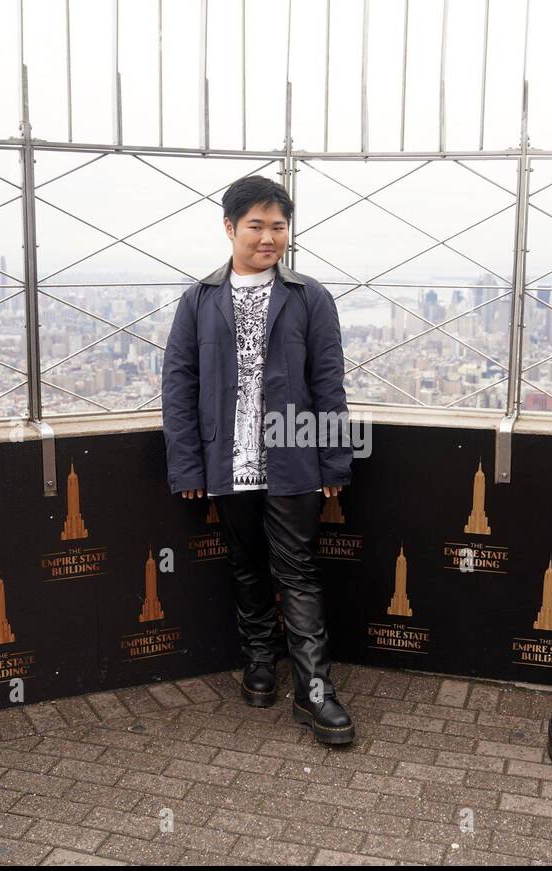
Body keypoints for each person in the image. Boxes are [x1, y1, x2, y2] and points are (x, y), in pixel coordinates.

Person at [161, 175, 355, 745]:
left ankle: (314, 691)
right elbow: (179, 385)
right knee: (246, 568)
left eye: (278, 226)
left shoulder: (309, 296)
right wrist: (188, 466)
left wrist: (335, 461)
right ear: (229, 228)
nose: (269, 237)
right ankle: (260, 667)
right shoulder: (199, 300)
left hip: (295, 459)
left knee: (298, 572)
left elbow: (329, 383)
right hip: (227, 460)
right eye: (256, 226)